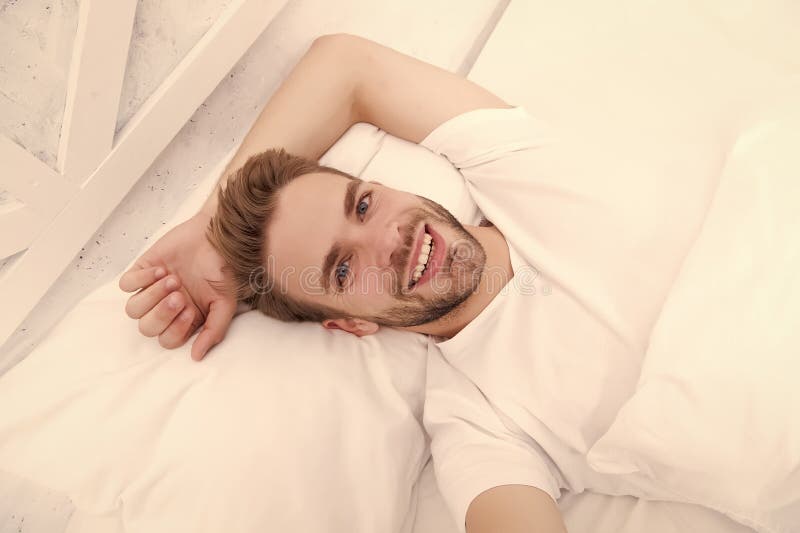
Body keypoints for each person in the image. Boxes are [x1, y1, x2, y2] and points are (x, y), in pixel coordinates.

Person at [119, 34, 702, 533]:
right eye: (342, 269)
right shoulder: (479, 424)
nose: (390, 239)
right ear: (349, 323)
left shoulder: (517, 165)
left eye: (364, 203)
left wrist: (208, 226)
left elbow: (345, 65)